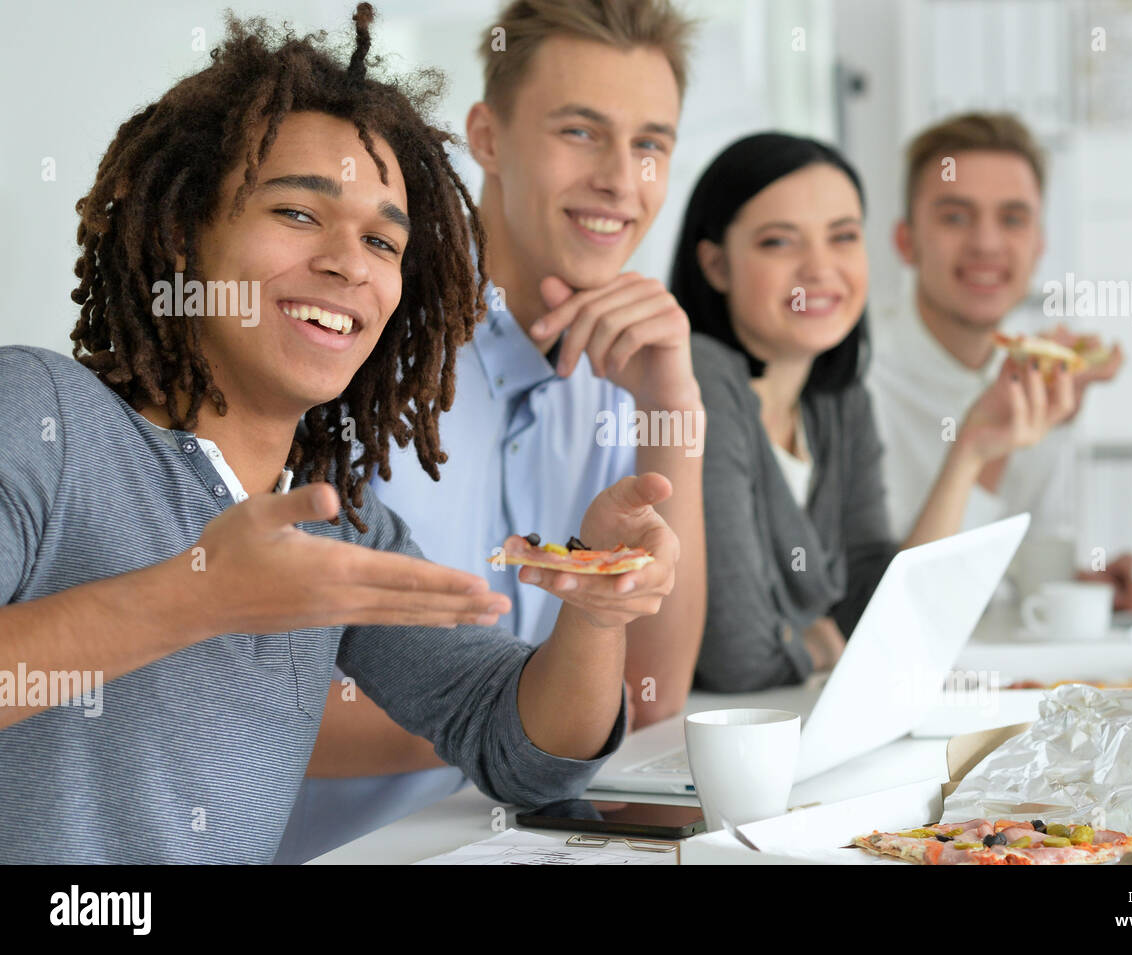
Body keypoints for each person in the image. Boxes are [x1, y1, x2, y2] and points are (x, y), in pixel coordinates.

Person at [0, 4, 674, 864]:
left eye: (383, 241)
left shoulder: (333, 521)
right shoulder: (41, 414)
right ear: (180, 235)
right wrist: (200, 596)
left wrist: (594, 603)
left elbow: (529, 754)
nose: (350, 264)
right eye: (296, 213)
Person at [276, 0, 707, 861]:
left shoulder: (627, 364)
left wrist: (673, 412)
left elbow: (653, 700)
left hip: (519, 839)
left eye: (650, 144)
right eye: (581, 132)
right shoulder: (345, 323)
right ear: (489, 136)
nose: (622, 179)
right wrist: (522, 719)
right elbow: (246, 705)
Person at [669, 132, 1075, 692]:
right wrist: (815, 641)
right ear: (716, 265)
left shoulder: (835, 398)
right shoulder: (700, 378)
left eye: (842, 237)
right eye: (779, 242)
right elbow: (738, 656)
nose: (819, 269)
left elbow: (883, 618)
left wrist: (971, 451)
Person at [865, 112, 1132, 610]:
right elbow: (915, 604)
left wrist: (1088, 585)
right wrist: (997, 443)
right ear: (906, 241)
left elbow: (1019, 562)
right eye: (954, 216)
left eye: (1012, 219)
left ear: (1039, 245)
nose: (987, 244)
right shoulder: (855, 376)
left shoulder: (1037, 373)